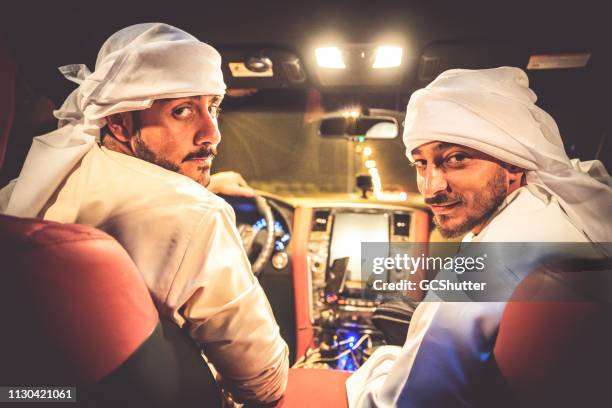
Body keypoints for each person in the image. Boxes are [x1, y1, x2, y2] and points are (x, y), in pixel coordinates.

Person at [0, 23, 287, 405]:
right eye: (183, 111)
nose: (212, 133)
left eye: (212, 107)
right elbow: (263, 383)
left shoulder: (29, 186)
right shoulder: (198, 216)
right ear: (119, 122)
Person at [346, 67, 612, 407]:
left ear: (514, 164)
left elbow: (401, 402)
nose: (430, 188)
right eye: (420, 164)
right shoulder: (564, 208)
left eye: (456, 159)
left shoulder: (492, 261)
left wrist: (375, 363)